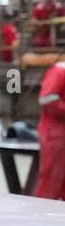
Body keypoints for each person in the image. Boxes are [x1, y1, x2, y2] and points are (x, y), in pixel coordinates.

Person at [36, 59, 65, 200]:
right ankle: (42, 218)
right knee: (52, 180)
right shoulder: (59, 71)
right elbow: (47, 99)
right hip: (56, 134)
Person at [0, 0, 19, 64]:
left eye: (4, 8)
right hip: (0, 57)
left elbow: (15, 43)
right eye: (2, 8)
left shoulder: (9, 27)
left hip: (8, 58)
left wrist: (16, 58)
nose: (3, 10)